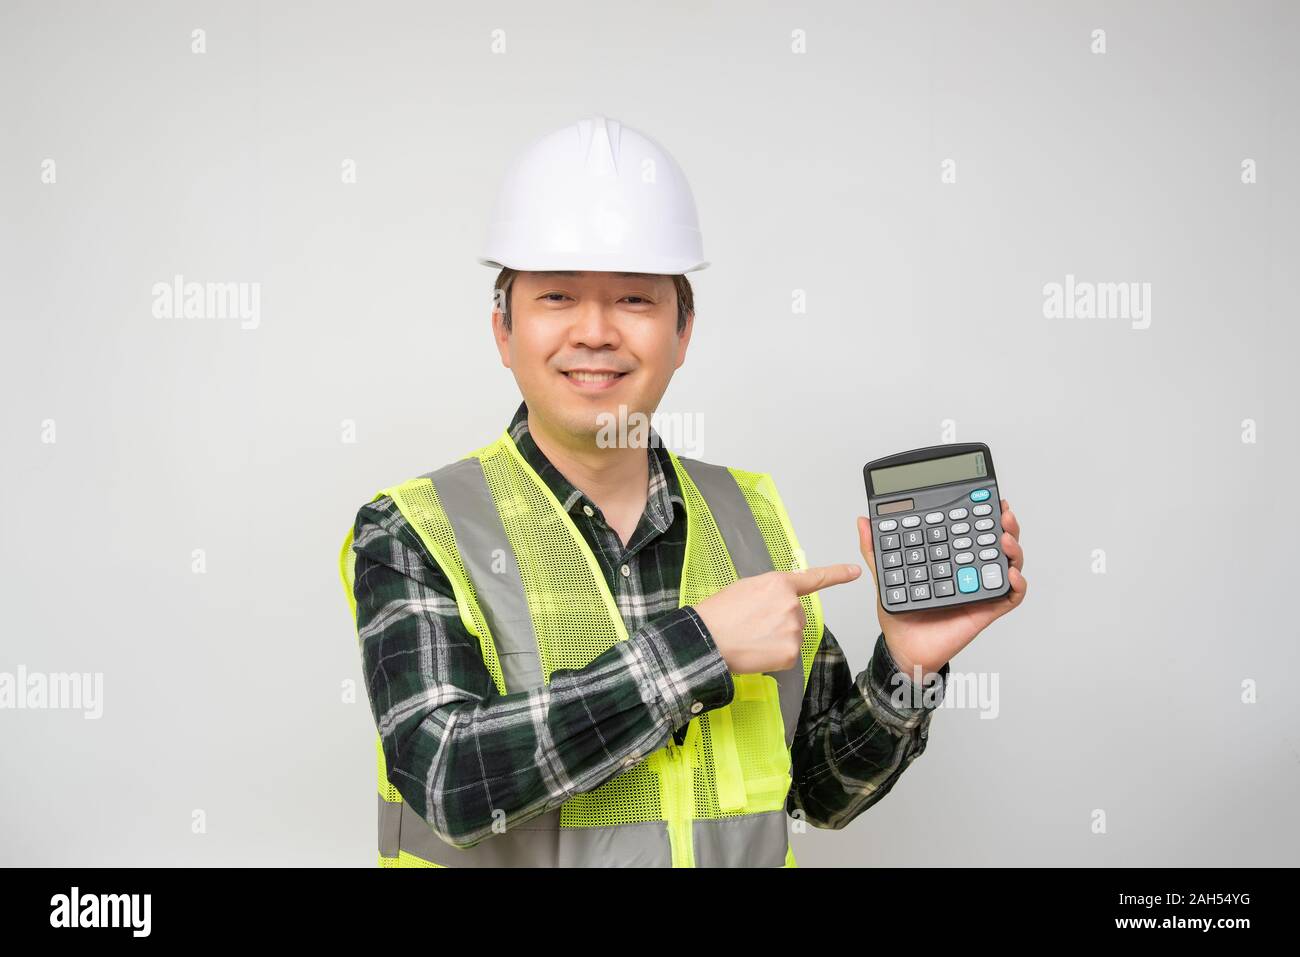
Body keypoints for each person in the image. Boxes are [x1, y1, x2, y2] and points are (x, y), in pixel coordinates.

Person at [338, 115, 1028, 867]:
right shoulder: (415, 529)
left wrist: (909, 664)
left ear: (683, 332)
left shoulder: (747, 517)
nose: (596, 331)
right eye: (558, 296)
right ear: (503, 331)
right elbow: (450, 781)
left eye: (634, 300)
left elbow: (821, 793)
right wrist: (698, 648)